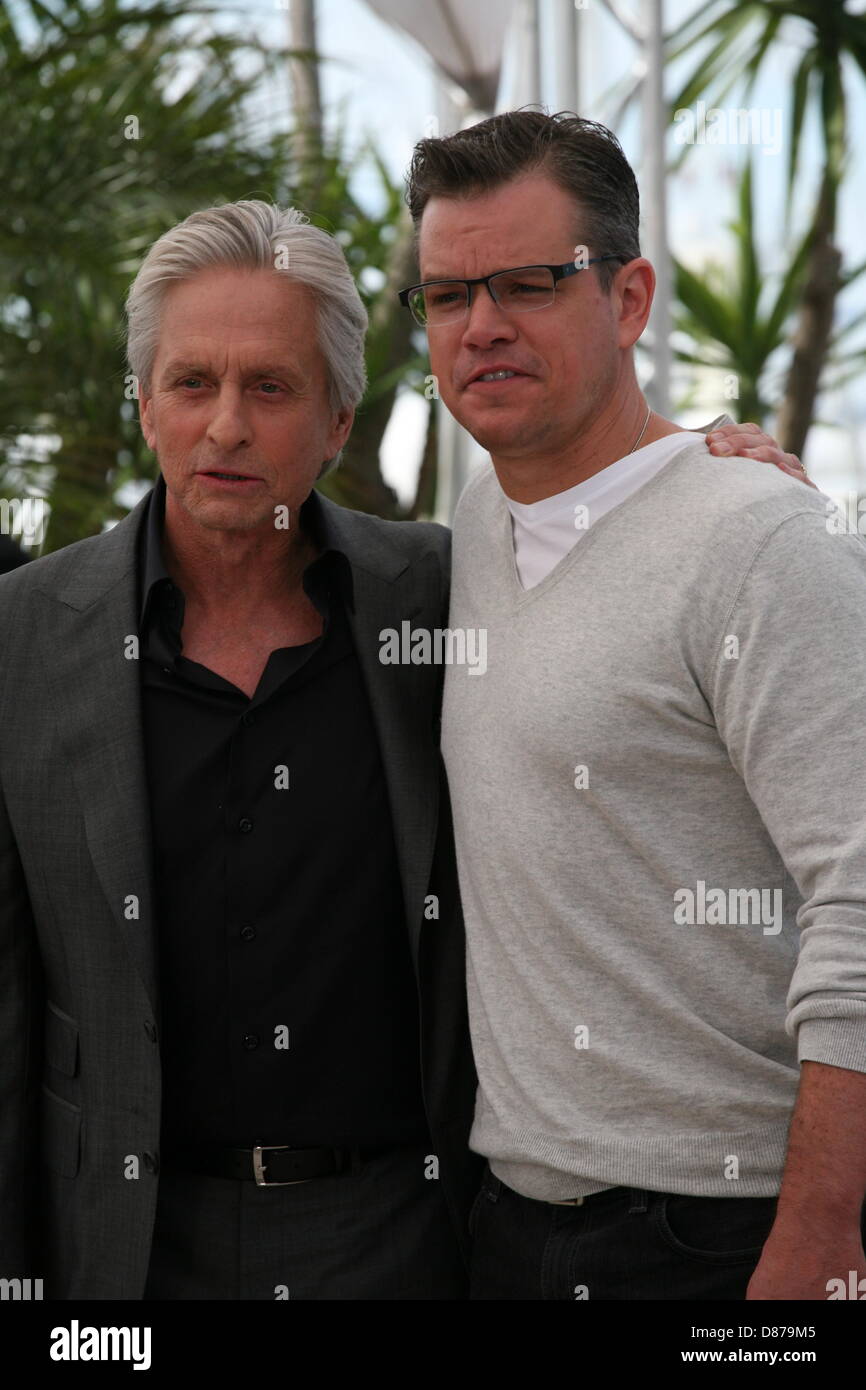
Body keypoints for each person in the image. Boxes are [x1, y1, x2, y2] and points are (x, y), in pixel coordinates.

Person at [0, 194, 800, 1302]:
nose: (225, 425)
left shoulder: (440, 587)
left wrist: (722, 464)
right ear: (143, 404)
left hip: (400, 1238)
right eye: (192, 383)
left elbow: (611, 520)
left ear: (339, 421)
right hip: (126, 1244)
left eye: (270, 388)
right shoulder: (24, 636)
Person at [401, 110, 866, 1301]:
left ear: (625, 298)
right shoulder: (473, 524)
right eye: (448, 295)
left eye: (526, 282)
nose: (482, 324)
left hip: (727, 1233)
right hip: (508, 1221)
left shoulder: (760, 538)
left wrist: (814, 1244)